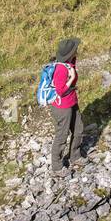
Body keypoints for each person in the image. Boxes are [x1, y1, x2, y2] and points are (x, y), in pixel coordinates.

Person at [48, 37, 85, 176]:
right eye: (75, 49)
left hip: (71, 102)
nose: (77, 50)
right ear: (70, 53)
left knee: (79, 128)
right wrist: (71, 78)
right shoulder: (61, 69)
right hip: (61, 107)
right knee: (62, 135)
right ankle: (57, 166)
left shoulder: (69, 62)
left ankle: (75, 156)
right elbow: (60, 90)